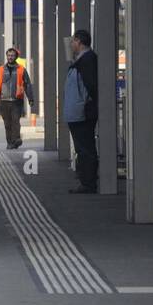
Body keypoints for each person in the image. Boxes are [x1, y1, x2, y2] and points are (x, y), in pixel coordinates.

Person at [64, 28, 99, 194]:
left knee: (85, 148)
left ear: (79, 41)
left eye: (73, 41)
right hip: (77, 112)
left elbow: (91, 86)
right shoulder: (80, 61)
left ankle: (88, 182)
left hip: (82, 113)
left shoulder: (88, 60)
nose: (71, 44)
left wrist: (86, 105)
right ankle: (85, 180)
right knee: (82, 148)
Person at [0, 47, 37, 149]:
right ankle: (10, 142)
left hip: (17, 101)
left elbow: (27, 84)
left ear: (16, 57)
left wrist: (30, 98)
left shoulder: (21, 70)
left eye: (12, 55)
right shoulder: (1, 70)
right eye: (8, 55)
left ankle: (16, 139)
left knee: (15, 121)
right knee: (7, 123)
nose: (10, 57)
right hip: (4, 101)